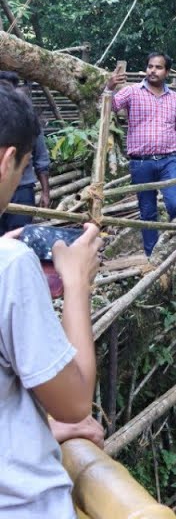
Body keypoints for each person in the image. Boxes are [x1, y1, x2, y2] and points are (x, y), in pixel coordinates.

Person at [0, 82, 104, 516]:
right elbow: (75, 401)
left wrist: (39, 429)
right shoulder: (11, 266)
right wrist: (76, 281)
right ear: (7, 160)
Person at [105, 53, 176, 257]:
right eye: (150, 66)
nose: (153, 70)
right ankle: (152, 256)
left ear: (167, 72)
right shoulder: (132, 92)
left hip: (169, 160)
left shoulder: (175, 98)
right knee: (147, 211)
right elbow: (107, 109)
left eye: (158, 67)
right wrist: (109, 88)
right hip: (141, 163)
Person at [0, 72, 51, 233]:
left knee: (17, 234)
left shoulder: (28, 122)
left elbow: (41, 160)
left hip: (22, 190)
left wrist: (45, 192)